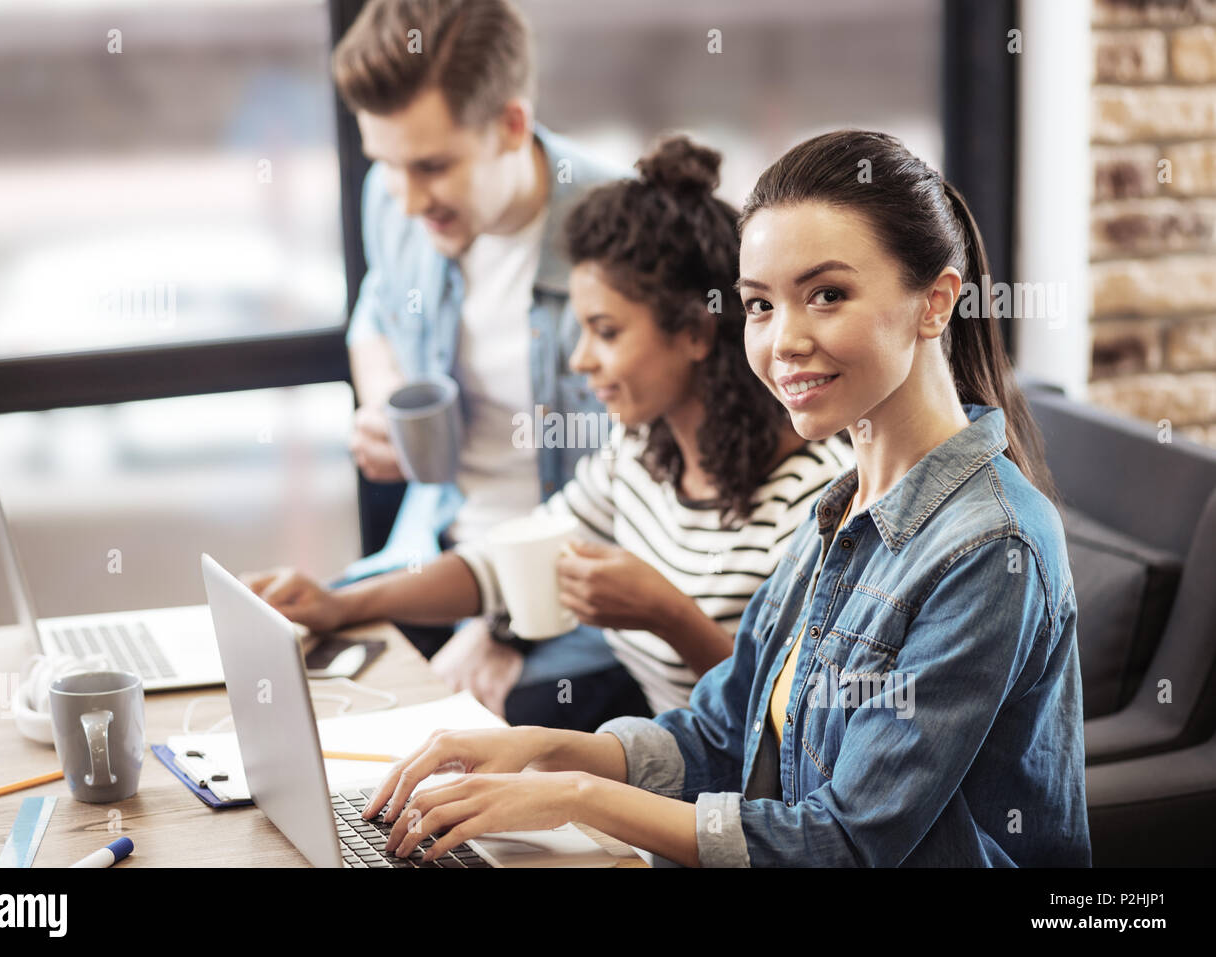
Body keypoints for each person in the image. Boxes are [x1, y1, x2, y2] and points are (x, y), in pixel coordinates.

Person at [352, 129, 1093, 868]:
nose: (784, 340)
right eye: (761, 306)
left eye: (826, 295)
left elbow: (848, 842)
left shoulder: (993, 546)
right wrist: (537, 749)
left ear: (935, 304)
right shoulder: (843, 510)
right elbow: (722, 729)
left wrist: (577, 795)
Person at [245, 135, 855, 728]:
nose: (580, 360)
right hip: (671, 767)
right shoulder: (641, 457)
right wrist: (341, 603)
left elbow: (786, 723)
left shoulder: (814, 499)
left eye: (606, 332)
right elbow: (497, 565)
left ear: (695, 333)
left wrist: (666, 615)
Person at [321, 0, 632, 708]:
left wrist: (505, 629)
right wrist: (381, 400)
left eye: (431, 166)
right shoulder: (392, 196)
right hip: (434, 552)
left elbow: (656, 488)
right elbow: (375, 306)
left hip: (575, 602)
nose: (405, 199)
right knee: (302, 660)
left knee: (483, 745)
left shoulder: (624, 233)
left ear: (512, 125)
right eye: (387, 164)